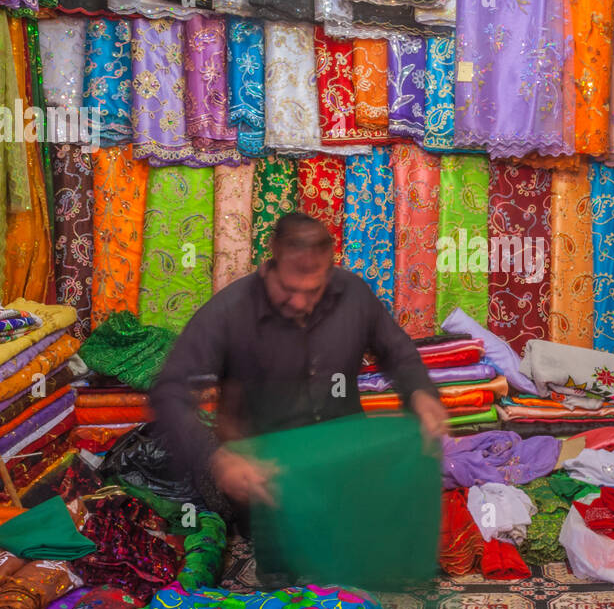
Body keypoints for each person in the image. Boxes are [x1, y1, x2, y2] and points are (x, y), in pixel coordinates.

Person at [150, 212, 448, 519]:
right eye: (289, 289)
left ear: (329, 268)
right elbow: (170, 389)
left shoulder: (353, 295)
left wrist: (421, 394)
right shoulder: (232, 310)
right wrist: (216, 457)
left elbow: (398, 352)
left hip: (344, 467)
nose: (299, 303)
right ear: (272, 261)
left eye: (313, 291)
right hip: (266, 482)